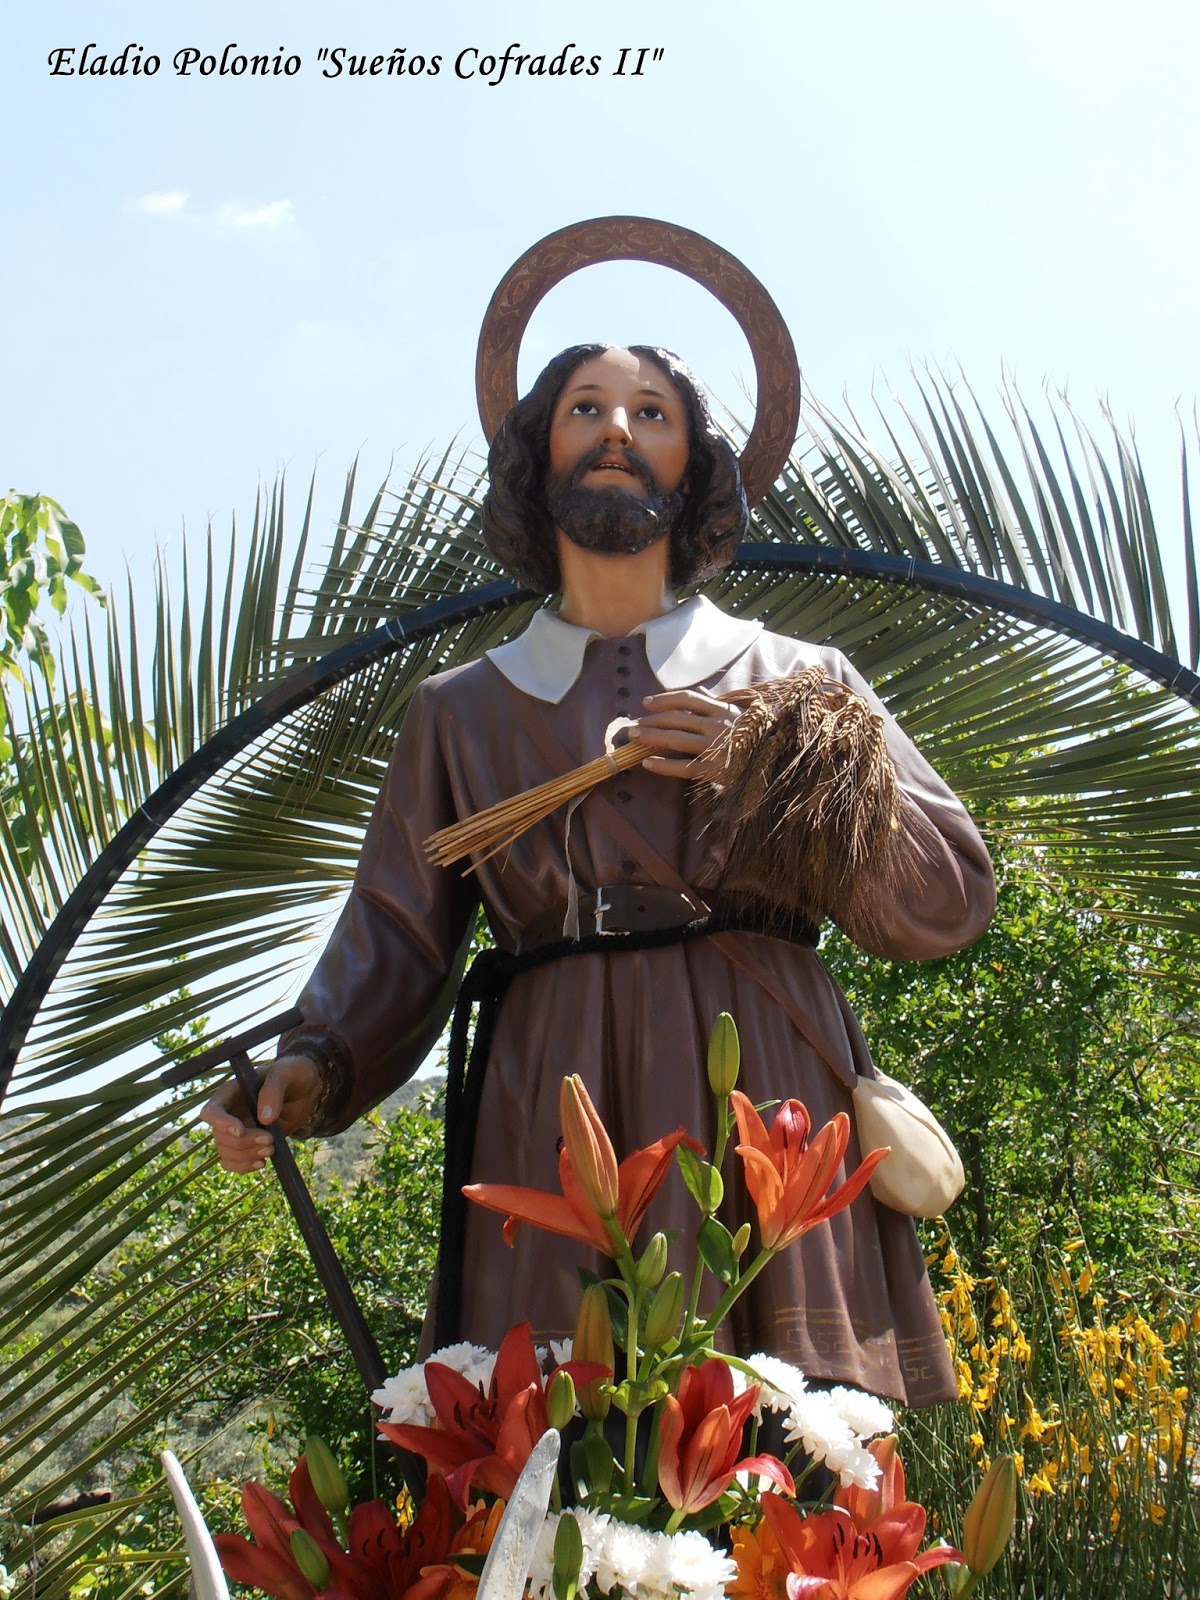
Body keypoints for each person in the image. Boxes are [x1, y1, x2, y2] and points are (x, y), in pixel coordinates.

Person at [203, 343, 995, 1406]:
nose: (619, 428)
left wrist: (774, 768)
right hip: (556, 1097)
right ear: (541, 456)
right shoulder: (463, 710)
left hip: (764, 1087)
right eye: (587, 407)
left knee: (789, 1450)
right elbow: (397, 933)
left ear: (695, 465)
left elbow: (947, 896)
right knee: (555, 1446)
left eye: (652, 412)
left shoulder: (805, 682)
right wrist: (317, 1061)